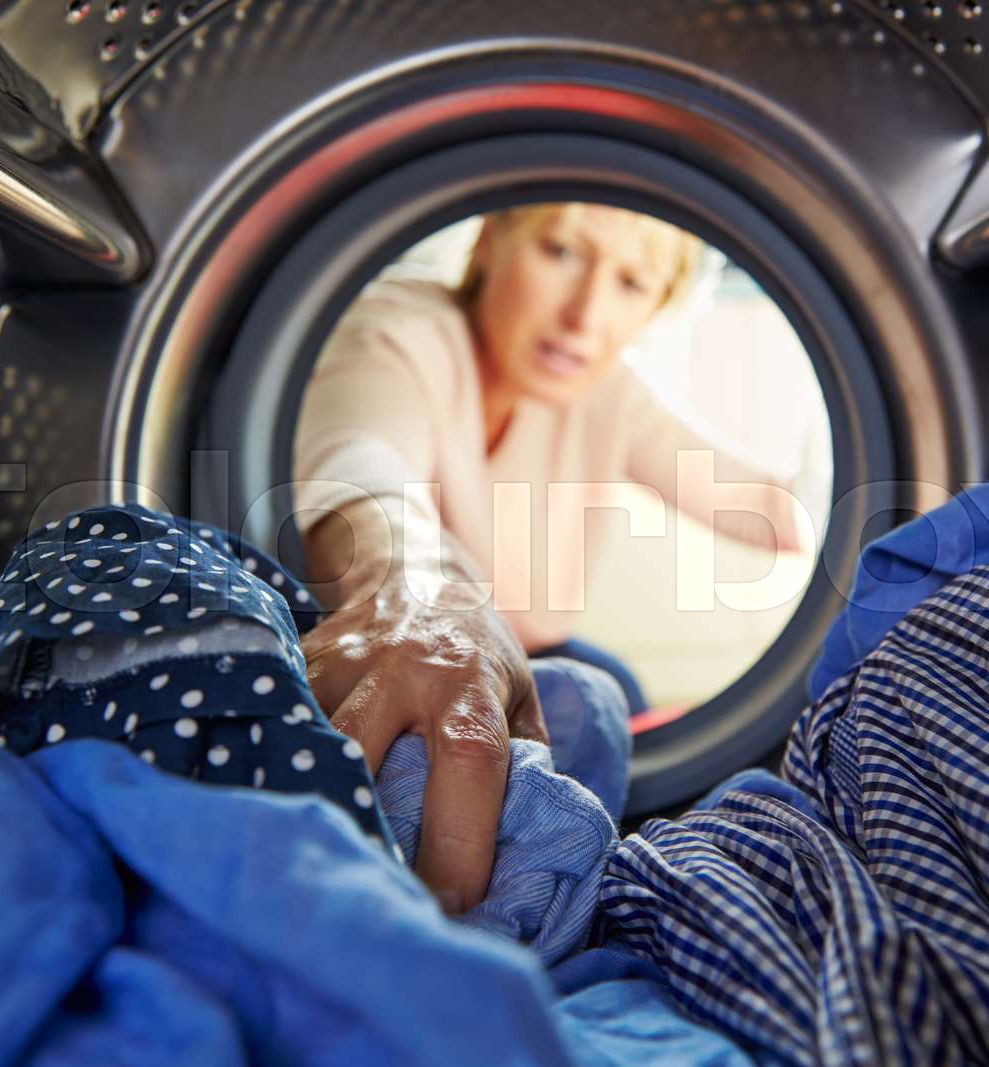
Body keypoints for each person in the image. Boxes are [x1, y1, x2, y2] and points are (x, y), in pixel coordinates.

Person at [292, 202, 805, 913]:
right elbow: (361, 466)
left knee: (609, 691)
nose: (585, 314)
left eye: (632, 282)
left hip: (540, 656)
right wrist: (420, 593)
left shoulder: (605, 389)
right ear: (490, 240)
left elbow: (767, 506)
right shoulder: (404, 329)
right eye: (561, 250)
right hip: (399, 648)